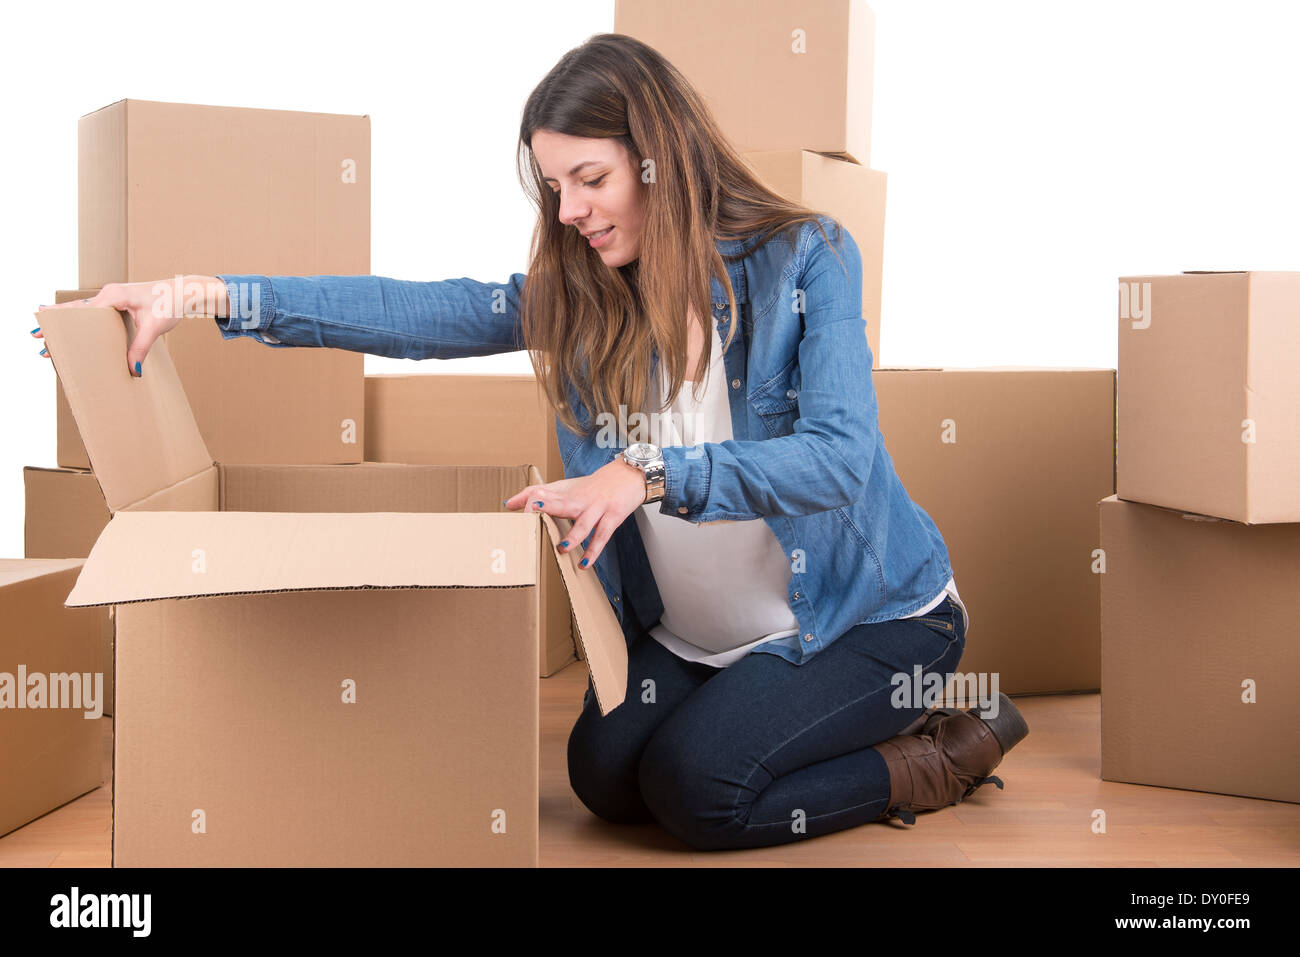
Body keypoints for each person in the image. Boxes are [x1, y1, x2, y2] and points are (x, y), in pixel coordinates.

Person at [34, 32, 1027, 852]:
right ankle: (762, 714)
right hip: (701, 635)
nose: (569, 212)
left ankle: (935, 753)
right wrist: (200, 296)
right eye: (552, 186)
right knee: (602, 775)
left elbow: (837, 457)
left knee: (697, 792)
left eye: (588, 178)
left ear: (659, 157)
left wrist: (644, 472)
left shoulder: (805, 261)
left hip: (861, 621)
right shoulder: (585, 297)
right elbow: (421, 312)